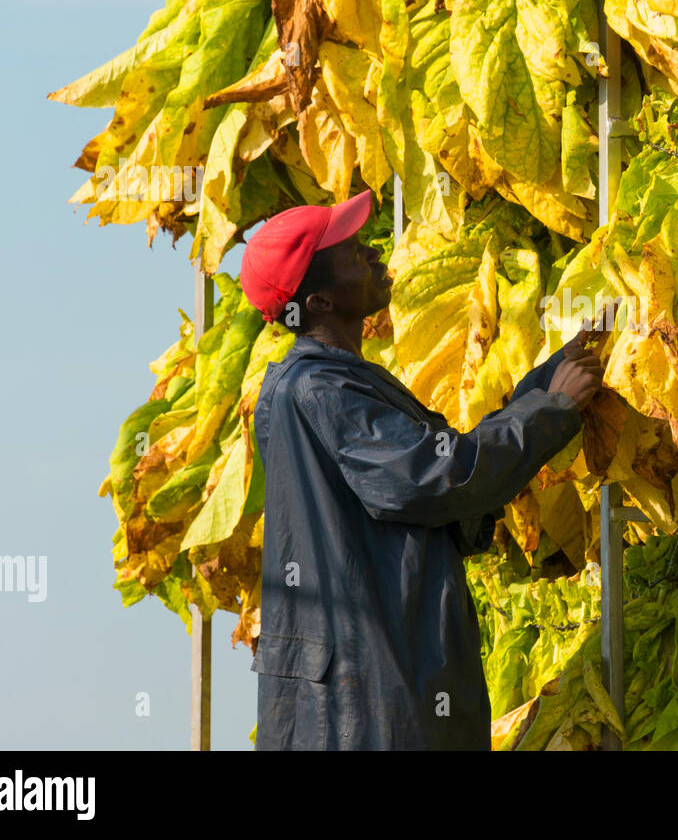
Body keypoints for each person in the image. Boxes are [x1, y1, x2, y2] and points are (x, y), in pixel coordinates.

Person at [239, 189, 605, 750]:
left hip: (363, 698)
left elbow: (439, 463)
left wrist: (550, 377)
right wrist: (551, 412)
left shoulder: (319, 382)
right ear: (319, 301)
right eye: (354, 253)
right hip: (369, 709)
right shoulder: (321, 389)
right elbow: (438, 479)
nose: (375, 254)